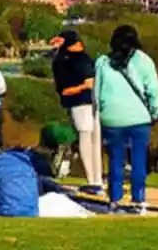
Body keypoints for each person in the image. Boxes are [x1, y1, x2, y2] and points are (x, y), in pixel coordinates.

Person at [96, 24, 158, 209]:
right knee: (138, 160)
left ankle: (115, 199)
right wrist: (155, 111)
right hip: (138, 117)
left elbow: (96, 92)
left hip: (111, 117)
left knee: (115, 160)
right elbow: (153, 90)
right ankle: (138, 199)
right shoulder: (143, 61)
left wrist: (100, 112)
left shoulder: (103, 61)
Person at [51, 30, 103, 193]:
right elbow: (64, 90)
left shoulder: (84, 58)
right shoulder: (63, 62)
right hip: (79, 103)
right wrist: (84, 86)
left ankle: (98, 178)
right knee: (86, 137)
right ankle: (91, 178)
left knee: (96, 140)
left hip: (93, 102)